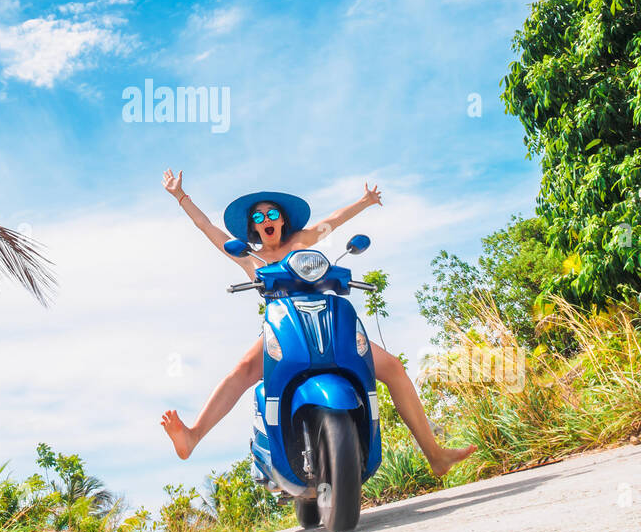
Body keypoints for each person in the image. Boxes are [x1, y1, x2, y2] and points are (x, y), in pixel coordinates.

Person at [159, 169, 475, 477]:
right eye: (258, 218)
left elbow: (332, 221)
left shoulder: (302, 240)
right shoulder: (250, 258)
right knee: (242, 370)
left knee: (392, 367)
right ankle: (193, 435)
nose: (266, 220)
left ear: (283, 220)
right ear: (253, 229)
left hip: (323, 316)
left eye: (271, 215)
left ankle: (435, 455)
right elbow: (208, 229)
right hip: (283, 327)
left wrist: (364, 202)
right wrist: (181, 196)